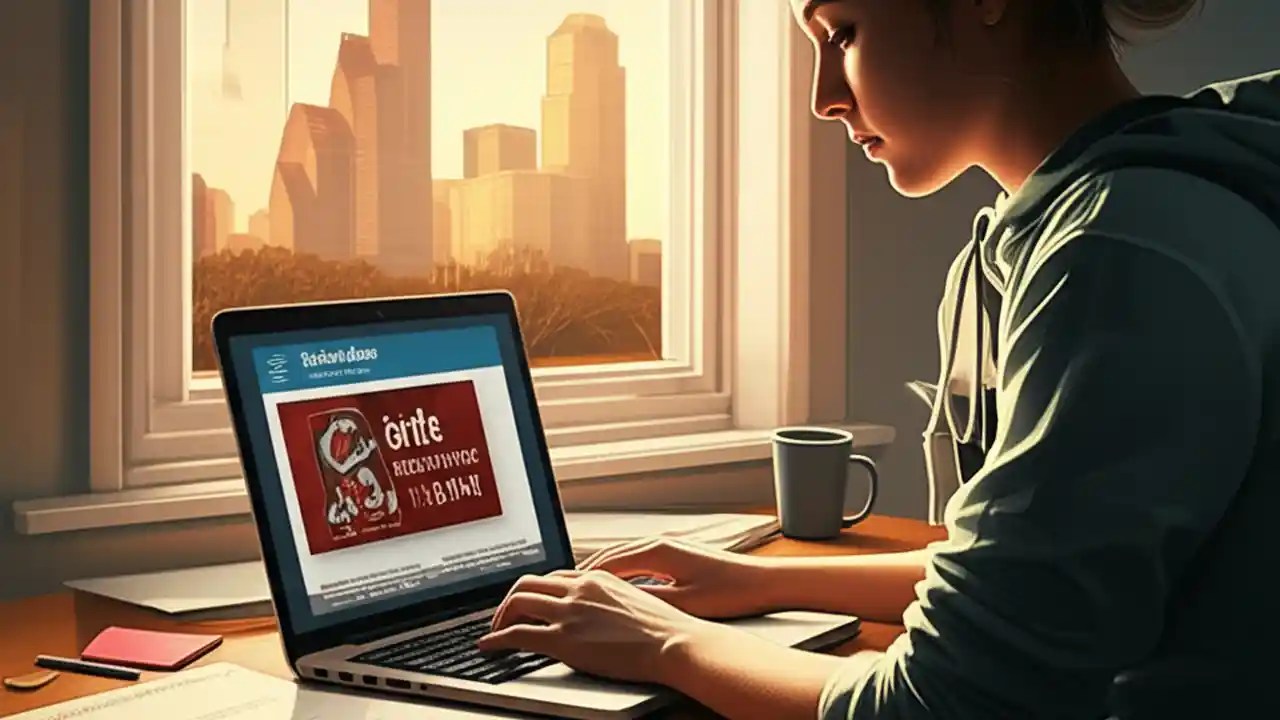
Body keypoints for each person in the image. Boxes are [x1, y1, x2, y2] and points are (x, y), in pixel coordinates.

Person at [475, 1, 1280, 717]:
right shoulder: (1039, 237)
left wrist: (666, 645)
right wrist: (759, 579)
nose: (824, 95)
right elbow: (1022, 576)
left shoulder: (1117, 250)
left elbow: (951, 700)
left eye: (842, 33)